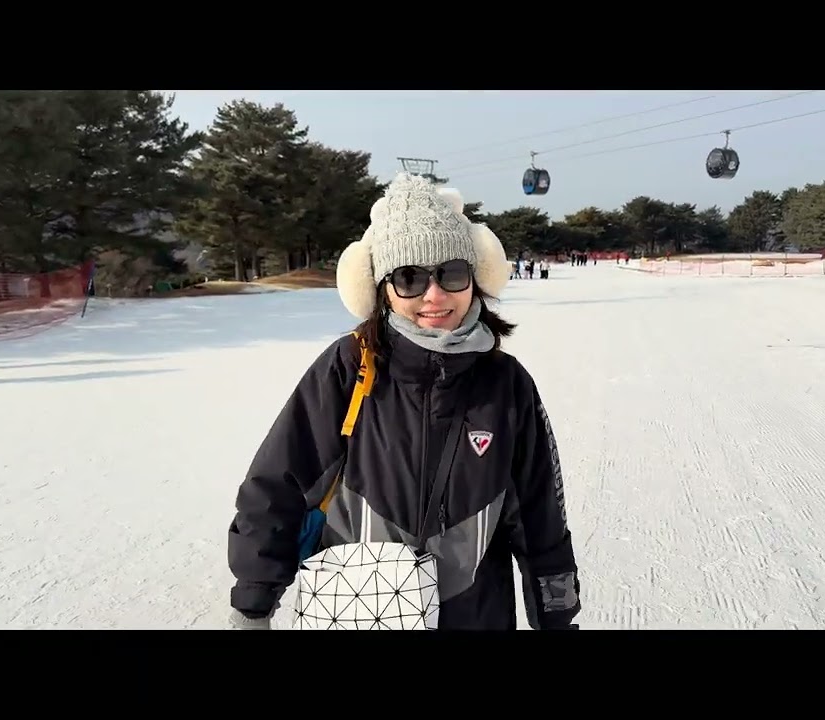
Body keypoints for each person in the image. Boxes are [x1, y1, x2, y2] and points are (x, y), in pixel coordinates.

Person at [226, 172, 581, 630]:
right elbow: (279, 483)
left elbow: (540, 512)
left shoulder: (506, 383)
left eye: (452, 273)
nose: (435, 295)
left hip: (477, 617)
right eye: (410, 278)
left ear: (476, 277)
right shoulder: (348, 368)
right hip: (360, 611)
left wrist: (557, 612)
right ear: (383, 290)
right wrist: (254, 600)